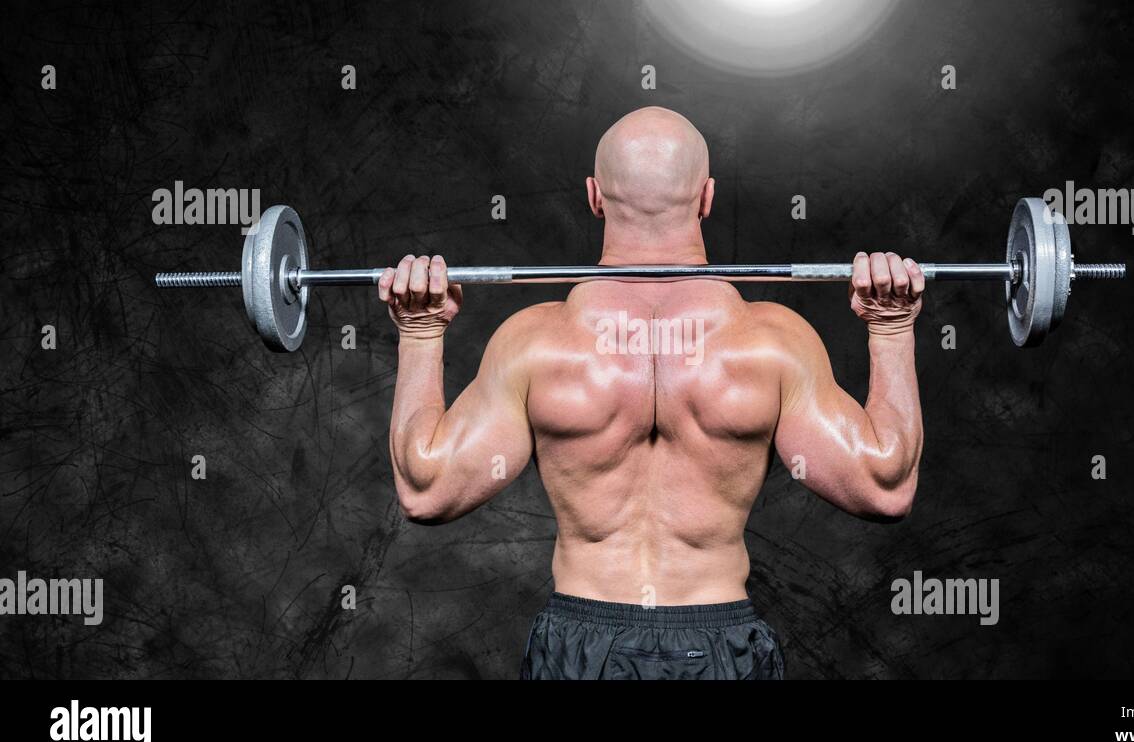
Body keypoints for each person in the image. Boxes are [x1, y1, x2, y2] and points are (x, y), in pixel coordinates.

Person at [378, 107, 925, 679]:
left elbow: (427, 490)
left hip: (582, 653)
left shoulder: (536, 345)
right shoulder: (773, 345)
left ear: (593, 196)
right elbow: (884, 488)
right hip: (719, 647)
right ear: (708, 197)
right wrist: (891, 327)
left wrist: (421, 332)